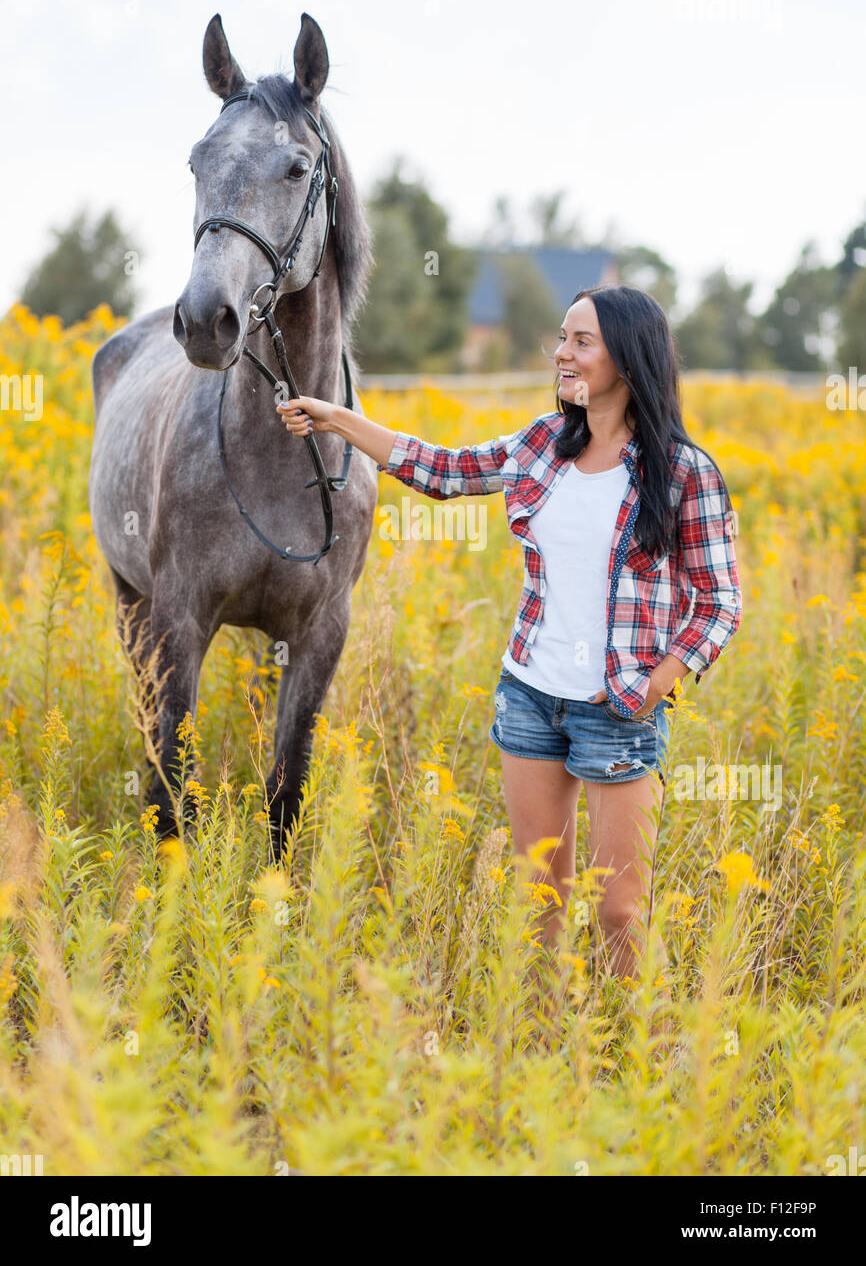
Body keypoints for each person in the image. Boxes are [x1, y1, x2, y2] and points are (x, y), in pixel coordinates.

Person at [277, 284, 742, 991]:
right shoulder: (541, 445)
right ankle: (542, 1050)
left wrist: (662, 680)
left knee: (619, 910)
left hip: (620, 709)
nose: (562, 352)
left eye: (582, 341)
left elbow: (718, 600)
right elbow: (443, 469)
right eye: (563, 336)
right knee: (541, 901)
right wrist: (339, 419)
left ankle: (653, 1058)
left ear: (629, 356)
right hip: (529, 698)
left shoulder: (683, 472)